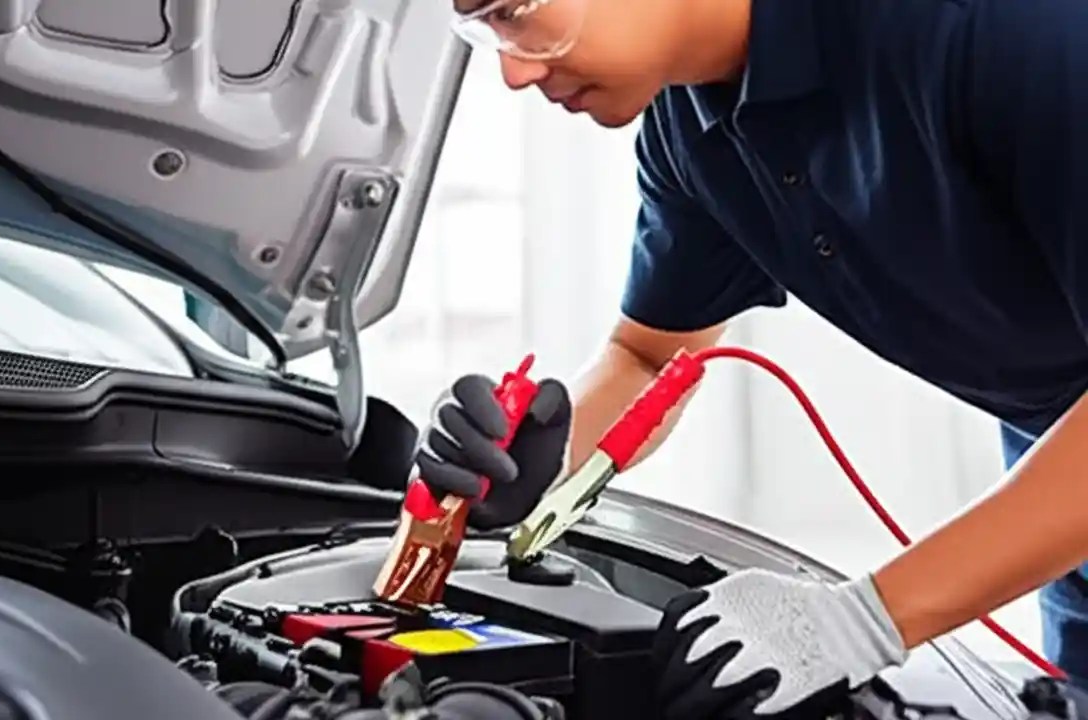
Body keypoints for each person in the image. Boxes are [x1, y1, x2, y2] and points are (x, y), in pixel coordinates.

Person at [414, 0, 1088, 716]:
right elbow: (647, 357)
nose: (513, 71)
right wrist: (540, 461)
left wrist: (864, 618)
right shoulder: (688, 134)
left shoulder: (1012, 29)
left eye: (516, 11)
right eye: (480, 25)